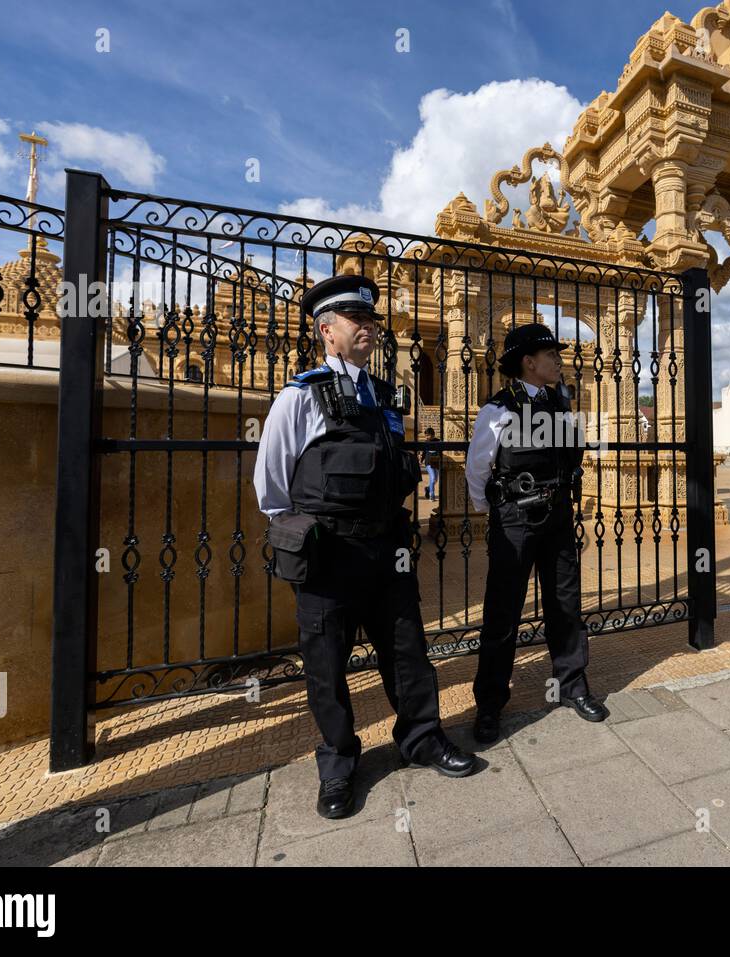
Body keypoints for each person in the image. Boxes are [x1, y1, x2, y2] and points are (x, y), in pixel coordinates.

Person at [253, 274, 478, 820]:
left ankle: (422, 738)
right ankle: (337, 764)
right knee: (326, 667)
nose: (370, 328)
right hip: (329, 558)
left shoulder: (383, 397)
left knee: (407, 655)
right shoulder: (299, 395)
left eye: (372, 319)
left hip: (387, 555)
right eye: (357, 320)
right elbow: (271, 487)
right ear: (327, 330)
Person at [465, 322, 607, 743]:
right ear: (529, 362)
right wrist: (498, 511)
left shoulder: (560, 402)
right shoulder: (499, 408)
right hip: (516, 519)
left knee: (565, 604)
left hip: (558, 518)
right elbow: (477, 469)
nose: (559, 361)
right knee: (503, 613)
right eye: (551, 355)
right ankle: (490, 704)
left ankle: (573, 687)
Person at [421, 426, 440, 502]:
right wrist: (421, 460)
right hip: (428, 463)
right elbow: (424, 452)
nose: (427, 437)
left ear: (433, 434)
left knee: (435, 480)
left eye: (428, 435)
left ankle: (428, 488)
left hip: (436, 463)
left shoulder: (438, 441)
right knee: (432, 479)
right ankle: (432, 496)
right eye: (426, 435)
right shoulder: (426, 442)